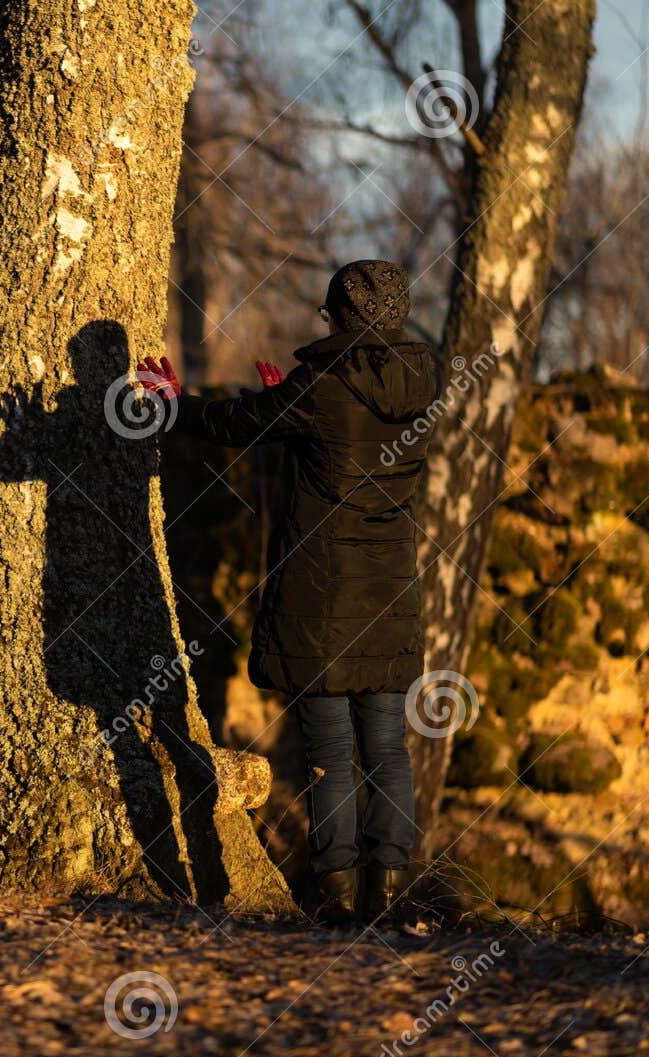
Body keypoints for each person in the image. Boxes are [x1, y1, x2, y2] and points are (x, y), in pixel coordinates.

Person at [139, 260, 440, 925]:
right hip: (391, 594)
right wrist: (290, 406)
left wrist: (171, 407)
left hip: (324, 598)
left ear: (342, 317)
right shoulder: (421, 385)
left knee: (331, 749)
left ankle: (333, 898)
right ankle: (385, 894)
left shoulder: (323, 386)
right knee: (388, 748)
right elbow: (342, 451)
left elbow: (234, 423)